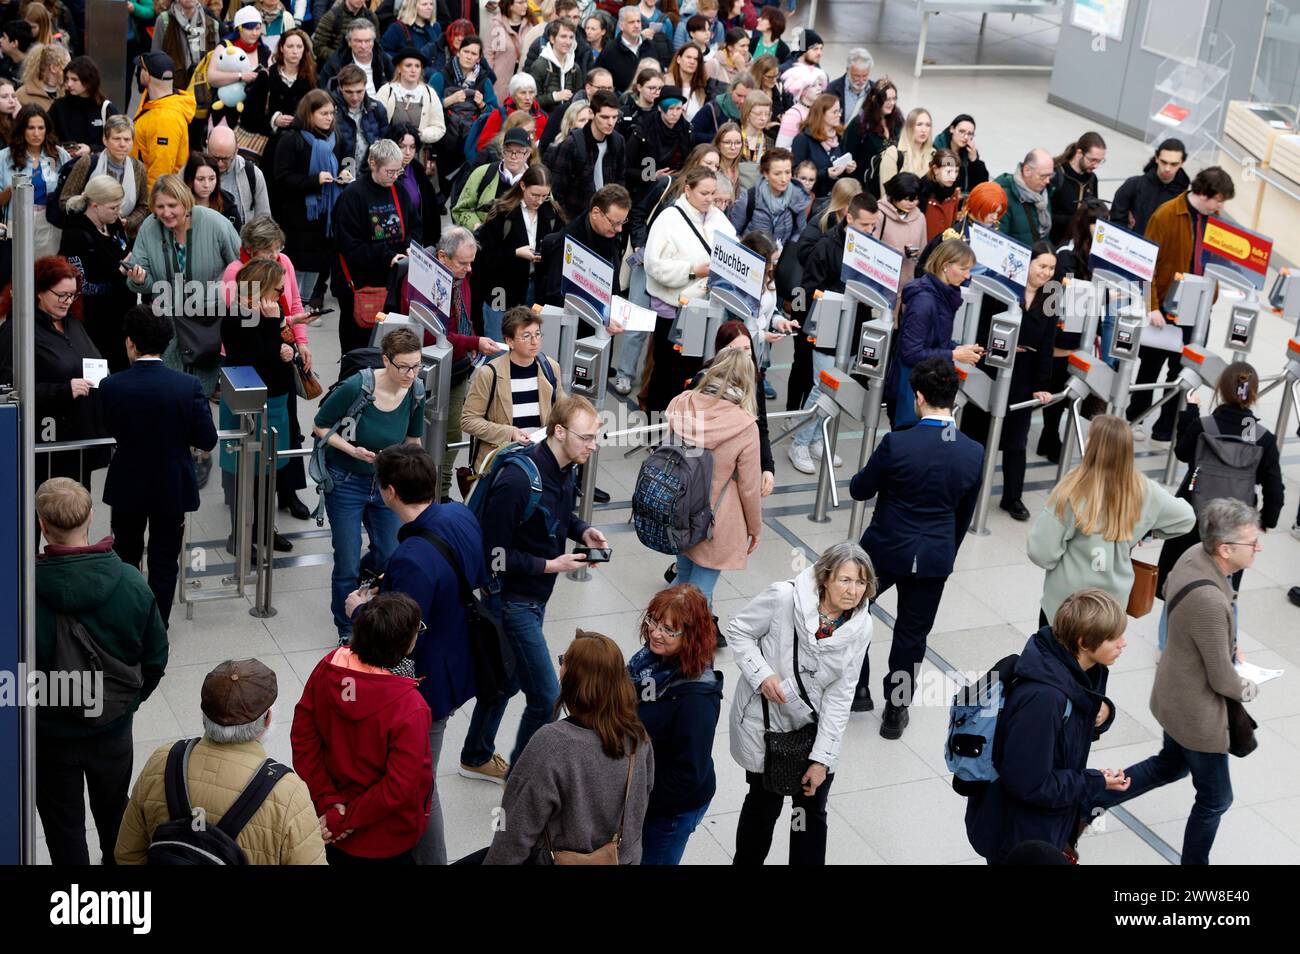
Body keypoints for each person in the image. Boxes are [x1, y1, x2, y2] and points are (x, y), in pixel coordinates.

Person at [1090, 498, 1263, 865]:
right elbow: (1221, 678)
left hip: (1173, 691)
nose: (1259, 546)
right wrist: (1250, 685)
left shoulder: (1192, 556)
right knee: (1216, 799)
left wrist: (1227, 643)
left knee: (1169, 765)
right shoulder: (1210, 600)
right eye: (1252, 541)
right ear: (1225, 548)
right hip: (1196, 716)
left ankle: (1090, 798)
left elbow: (1171, 593)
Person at [342, 444, 484, 865]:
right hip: (462, 656)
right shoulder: (459, 514)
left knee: (421, 781)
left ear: (388, 492)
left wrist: (361, 610)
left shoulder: (411, 557)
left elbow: (398, 636)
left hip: (427, 684)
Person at [458, 395, 609, 783]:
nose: (593, 446)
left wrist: (580, 530)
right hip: (511, 601)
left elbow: (557, 515)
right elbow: (492, 554)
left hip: (534, 598)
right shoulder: (517, 480)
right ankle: (522, 779)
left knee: (507, 682)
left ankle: (476, 754)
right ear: (559, 432)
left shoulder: (563, 468)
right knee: (545, 698)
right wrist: (550, 565)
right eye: (587, 437)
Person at [33, 477, 169, 866]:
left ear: (42, 524)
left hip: (49, 733)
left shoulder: (21, 589)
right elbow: (156, 658)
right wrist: (127, 703)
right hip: (111, 729)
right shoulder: (130, 582)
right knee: (116, 817)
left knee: (63, 826)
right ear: (92, 517)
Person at [849, 358, 984, 723]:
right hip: (934, 554)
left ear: (919, 397)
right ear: (953, 399)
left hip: (884, 547)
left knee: (854, 613)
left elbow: (860, 489)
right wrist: (944, 554)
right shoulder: (973, 451)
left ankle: (858, 691)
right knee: (912, 633)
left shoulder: (898, 442)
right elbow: (964, 516)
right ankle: (896, 708)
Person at [728, 541, 873, 865]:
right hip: (767, 723)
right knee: (763, 805)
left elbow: (842, 693)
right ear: (825, 578)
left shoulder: (861, 626)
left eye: (861, 582)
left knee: (810, 814)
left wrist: (822, 758)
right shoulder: (782, 598)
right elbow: (739, 631)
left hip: (814, 729)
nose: (853, 591)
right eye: (845, 580)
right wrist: (762, 675)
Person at [964, 589, 1128, 865]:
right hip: (1020, 835)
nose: (1123, 643)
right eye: (1114, 637)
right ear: (1084, 642)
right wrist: (1094, 781)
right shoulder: (1044, 699)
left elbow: (1067, 736)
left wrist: (1104, 712)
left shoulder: (1077, 672)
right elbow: (1029, 783)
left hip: (1044, 823)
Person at [117, 658, 326, 865]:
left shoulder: (162, 762)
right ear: (267, 720)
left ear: (204, 715)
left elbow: (127, 853)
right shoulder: (288, 794)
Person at [481, 630, 654, 864]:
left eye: (564, 662)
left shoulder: (551, 743)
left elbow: (514, 827)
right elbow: (642, 796)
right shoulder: (638, 737)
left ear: (573, 679)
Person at [292, 592, 433, 865]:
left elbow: (303, 738)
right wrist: (346, 818)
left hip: (328, 823)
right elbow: (398, 786)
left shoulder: (327, 667)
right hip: (387, 836)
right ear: (404, 646)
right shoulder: (410, 707)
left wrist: (328, 803)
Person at [99, 304, 216, 625]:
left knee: (126, 555)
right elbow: (207, 439)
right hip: (171, 486)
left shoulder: (112, 387)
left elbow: (110, 428)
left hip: (128, 484)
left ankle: (127, 619)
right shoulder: (187, 387)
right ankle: (157, 624)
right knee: (165, 560)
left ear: (131, 343)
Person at [1153, 362, 1285, 643]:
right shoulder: (1263, 438)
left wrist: (1189, 413)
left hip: (1193, 517)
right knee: (1226, 588)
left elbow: (1182, 453)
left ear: (1221, 390)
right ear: (1253, 393)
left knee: (1178, 581)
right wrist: (1265, 521)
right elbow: (1275, 487)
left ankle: (1168, 645)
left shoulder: (1204, 426)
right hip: (1235, 528)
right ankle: (1220, 644)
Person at [1028, 414, 1196, 626]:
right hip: (1111, 609)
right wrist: (1147, 530)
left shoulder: (1073, 487)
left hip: (1064, 605)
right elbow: (1186, 519)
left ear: (1096, 447)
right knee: (1098, 658)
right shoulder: (1144, 489)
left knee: (1051, 658)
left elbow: (1041, 553)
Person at [1126, 167, 1236, 442]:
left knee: (1185, 370)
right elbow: (1147, 263)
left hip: (1198, 308)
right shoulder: (1166, 214)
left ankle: (1167, 427)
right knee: (1150, 368)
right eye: (1219, 199)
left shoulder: (1217, 222)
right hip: (1165, 304)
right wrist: (1151, 305)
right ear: (1204, 193)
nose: (1221, 206)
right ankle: (1135, 417)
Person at [958, 241, 1058, 521]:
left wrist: (1042, 383)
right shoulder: (1000, 288)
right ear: (1027, 264)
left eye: (1051, 268)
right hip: (991, 365)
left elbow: (1048, 341)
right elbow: (979, 324)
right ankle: (965, 490)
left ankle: (1012, 497)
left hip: (1024, 371)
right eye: (1042, 266)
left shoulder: (1052, 293)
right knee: (976, 432)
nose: (1046, 273)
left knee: (1016, 439)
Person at [123, 173, 241, 408]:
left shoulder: (215, 223)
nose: (166, 212)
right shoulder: (149, 227)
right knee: (168, 393)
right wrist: (139, 279)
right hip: (167, 325)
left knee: (199, 393)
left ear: (185, 202)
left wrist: (222, 296)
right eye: (160, 206)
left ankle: (199, 440)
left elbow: (241, 267)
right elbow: (144, 280)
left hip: (207, 324)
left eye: (172, 205)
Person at [785, 191, 881, 469]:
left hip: (855, 325)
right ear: (849, 217)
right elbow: (810, 287)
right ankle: (799, 443)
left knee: (838, 387)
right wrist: (848, 293)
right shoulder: (826, 247)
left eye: (873, 225)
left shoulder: (870, 247)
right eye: (864, 225)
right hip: (828, 322)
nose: (870, 230)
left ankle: (817, 437)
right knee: (822, 386)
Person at [664, 346, 763, 606]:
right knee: (700, 594)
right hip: (714, 520)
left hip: (678, 508)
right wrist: (754, 528)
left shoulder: (682, 402)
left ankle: (659, 626)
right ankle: (686, 644)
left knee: (683, 575)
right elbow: (750, 488)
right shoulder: (744, 425)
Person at [0, 255, 106, 486]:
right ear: (39, 291)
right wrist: (61, 390)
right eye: (61, 295)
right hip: (44, 445)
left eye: (73, 295)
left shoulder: (73, 324)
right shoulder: (17, 330)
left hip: (79, 442)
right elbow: (9, 388)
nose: (68, 301)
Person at [642, 165, 735, 410]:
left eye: (713, 193)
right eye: (704, 193)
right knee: (666, 373)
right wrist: (695, 270)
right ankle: (655, 431)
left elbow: (733, 251)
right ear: (687, 189)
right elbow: (654, 266)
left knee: (692, 373)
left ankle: (680, 429)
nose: (710, 199)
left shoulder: (719, 218)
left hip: (704, 310)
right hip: (672, 310)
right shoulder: (668, 219)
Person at [883, 237, 981, 429]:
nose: (967, 276)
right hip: (915, 391)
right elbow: (910, 352)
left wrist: (957, 348)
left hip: (926, 387)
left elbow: (932, 339)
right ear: (945, 266)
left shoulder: (941, 294)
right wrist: (954, 354)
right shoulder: (924, 302)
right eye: (963, 269)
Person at [331, 137, 417, 353]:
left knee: (389, 350)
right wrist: (386, 256)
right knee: (358, 350)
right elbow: (348, 245)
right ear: (373, 164)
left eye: (398, 171)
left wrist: (409, 248)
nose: (395, 176)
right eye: (389, 171)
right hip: (360, 286)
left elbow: (414, 227)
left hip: (392, 284)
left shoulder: (399, 191)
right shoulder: (353, 196)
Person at [1038, 197, 1106, 462]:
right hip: (1063, 326)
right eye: (1096, 224)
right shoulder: (1066, 254)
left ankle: (1052, 433)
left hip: (1083, 328)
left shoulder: (1096, 252)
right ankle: (1049, 433)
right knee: (1057, 384)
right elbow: (1061, 295)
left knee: (1069, 385)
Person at [461, 304, 565, 471]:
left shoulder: (550, 367)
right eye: (526, 336)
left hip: (540, 458)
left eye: (537, 334)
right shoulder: (489, 374)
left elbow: (562, 409)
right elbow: (469, 421)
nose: (535, 341)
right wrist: (510, 433)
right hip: (502, 462)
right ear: (509, 341)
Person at [471, 169, 563, 341]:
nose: (539, 200)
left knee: (529, 341)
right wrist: (515, 253)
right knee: (498, 342)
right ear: (522, 186)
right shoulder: (502, 212)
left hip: (536, 288)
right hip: (501, 288)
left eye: (545, 196)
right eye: (535, 195)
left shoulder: (551, 214)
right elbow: (484, 255)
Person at [274, 89, 345, 308]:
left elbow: (345, 159)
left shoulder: (336, 138)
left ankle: (314, 299)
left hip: (326, 216)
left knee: (321, 261)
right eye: (323, 113)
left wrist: (345, 173)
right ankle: (295, 305)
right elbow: (282, 177)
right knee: (298, 265)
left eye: (331, 113)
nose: (329, 118)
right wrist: (314, 180)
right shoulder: (291, 139)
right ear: (309, 113)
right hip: (299, 216)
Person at [56, 174, 132, 373]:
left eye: (119, 206)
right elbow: (82, 285)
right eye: (113, 207)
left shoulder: (114, 225)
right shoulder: (75, 235)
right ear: (95, 205)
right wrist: (119, 273)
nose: (119, 212)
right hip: (93, 321)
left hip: (120, 316)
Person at [238, 27, 317, 175]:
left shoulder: (311, 79)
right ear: (282, 48)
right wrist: (274, 120)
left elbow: (317, 112)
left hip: (301, 149)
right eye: (290, 46)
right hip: (270, 150)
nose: (295, 51)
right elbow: (248, 117)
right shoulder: (266, 77)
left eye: (299, 47)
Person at [0, 103, 70, 256]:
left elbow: (71, 189)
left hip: (49, 222)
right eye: (31, 128)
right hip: (16, 220)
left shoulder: (59, 155)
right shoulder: (4, 157)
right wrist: (13, 189)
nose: (36, 133)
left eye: (41, 128)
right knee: (18, 273)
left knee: (45, 272)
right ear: (21, 130)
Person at [548, 86, 624, 219]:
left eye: (614, 117)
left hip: (606, 218)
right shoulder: (572, 144)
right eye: (605, 117)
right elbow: (557, 190)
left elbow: (620, 181)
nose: (611, 122)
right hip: (576, 218)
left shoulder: (618, 141)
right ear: (591, 113)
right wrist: (568, 223)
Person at [429, 32, 497, 178]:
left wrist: (483, 105)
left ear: (479, 59)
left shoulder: (485, 82)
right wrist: (448, 101)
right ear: (458, 52)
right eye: (465, 51)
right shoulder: (441, 76)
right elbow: (427, 105)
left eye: (473, 53)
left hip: (472, 144)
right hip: (444, 144)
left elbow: (495, 112)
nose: (468, 56)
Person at [132, 51, 196, 189]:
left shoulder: (164, 119)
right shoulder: (155, 104)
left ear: (147, 76)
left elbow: (160, 171)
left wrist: (149, 206)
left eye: (141, 68)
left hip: (154, 198)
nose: (138, 72)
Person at [451, 122, 531, 230]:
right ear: (502, 150)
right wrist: (477, 226)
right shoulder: (482, 173)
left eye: (520, 152)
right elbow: (460, 209)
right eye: (509, 151)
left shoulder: (536, 179)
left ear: (528, 153)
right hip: (484, 243)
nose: (513, 156)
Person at [729, 144, 805, 245]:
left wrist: (785, 250)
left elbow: (800, 232)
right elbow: (732, 233)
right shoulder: (749, 198)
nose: (784, 179)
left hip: (781, 258)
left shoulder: (796, 197)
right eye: (777, 174)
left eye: (787, 172)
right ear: (765, 174)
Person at [1109, 137, 1188, 235]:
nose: (1167, 168)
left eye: (1174, 164)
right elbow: (1116, 219)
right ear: (1156, 158)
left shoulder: (1183, 199)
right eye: (1164, 162)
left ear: (1182, 163)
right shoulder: (1133, 185)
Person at [331, 63, 391, 184]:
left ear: (365, 87)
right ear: (340, 88)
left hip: (370, 174)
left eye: (359, 91)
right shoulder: (330, 109)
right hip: (339, 175)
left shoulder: (377, 109)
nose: (355, 97)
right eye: (349, 92)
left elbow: (385, 143)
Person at [48, 55, 116, 157]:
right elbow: (47, 136)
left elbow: (119, 143)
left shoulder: (105, 108)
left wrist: (91, 149)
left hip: (97, 169)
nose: (69, 84)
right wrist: (62, 149)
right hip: (65, 167)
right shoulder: (58, 107)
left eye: (74, 80)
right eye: (67, 79)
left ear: (89, 81)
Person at [376, 46, 445, 146]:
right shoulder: (387, 91)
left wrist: (422, 134)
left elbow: (439, 127)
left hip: (418, 152)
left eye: (417, 66)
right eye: (408, 66)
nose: (413, 70)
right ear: (399, 69)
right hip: (390, 152)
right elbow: (376, 123)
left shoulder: (429, 93)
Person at [843, 76, 900, 196]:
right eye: (887, 99)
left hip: (889, 184)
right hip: (866, 188)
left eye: (894, 99)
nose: (892, 103)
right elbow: (848, 155)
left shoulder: (897, 119)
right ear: (875, 99)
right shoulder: (860, 123)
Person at [206, 124, 271, 227]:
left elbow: (264, 221)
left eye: (226, 159)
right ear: (207, 146)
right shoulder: (190, 171)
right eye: (215, 157)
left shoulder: (253, 174)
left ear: (236, 150)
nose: (220, 164)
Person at [789, 92, 851, 199]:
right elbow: (795, 172)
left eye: (839, 111)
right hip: (808, 200)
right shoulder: (803, 139)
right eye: (835, 112)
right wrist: (826, 174)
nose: (839, 115)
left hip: (833, 199)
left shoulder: (839, 137)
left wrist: (847, 168)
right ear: (821, 114)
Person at [1048, 131, 1105, 245]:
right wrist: (1074, 221)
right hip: (1053, 243)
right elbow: (1044, 215)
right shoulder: (1055, 174)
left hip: (1075, 247)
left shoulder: (1092, 180)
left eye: (1100, 161)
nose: (1096, 166)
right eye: (1092, 160)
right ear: (1079, 153)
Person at [994, 147, 1054, 247]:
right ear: (1027, 171)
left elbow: (1045, 237)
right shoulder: (1003, 196)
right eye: (1043, 176)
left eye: (1050, 175)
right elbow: (999, 240)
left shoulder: (1043, 193)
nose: (1048, 181)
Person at [877, 171, 926, 290]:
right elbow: (872, 250)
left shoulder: (920, 217)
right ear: (895, 195)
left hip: (909, 285)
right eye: (907, 199)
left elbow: (923, 250)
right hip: (883, 284)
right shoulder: (879, 214)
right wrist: (901, 253)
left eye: (915, 199)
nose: (912, 203)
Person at [530, 15, 583, 115]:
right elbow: (531, 101)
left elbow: (579, 98)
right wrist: (554, 96)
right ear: (552, 39)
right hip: (546, 120)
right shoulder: (539, 66)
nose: (568, 42)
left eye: (571, 37)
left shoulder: (575, 68)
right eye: (563, 36)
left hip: (568, 121)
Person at [183, 149, 242, 232]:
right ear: (190, 179)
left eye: (211, 178)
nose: (207, 185)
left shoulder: (229, 207)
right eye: (200, 179)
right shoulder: (178, 205)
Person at [932, 112, 989, 193]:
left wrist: (975, 161)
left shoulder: (970, 152)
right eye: (962, 131)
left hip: (965, 201)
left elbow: (981, 186)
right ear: (952, 129)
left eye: (970, 134)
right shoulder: (937, 149)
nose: (966, 137)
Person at [485, 0, 529, 101]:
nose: (525, 5)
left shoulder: (530, 25)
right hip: (500, 81)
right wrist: (491, 77)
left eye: (526, 2)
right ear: (510, 6)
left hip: (524, 80)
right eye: (520, 2)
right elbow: (488, 53)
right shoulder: (496, 25)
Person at [689, 72, 750, 144]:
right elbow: (692, 134)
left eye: (746, 97)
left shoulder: (752, 112)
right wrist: (719, 138)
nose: (742, 101)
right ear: (731, 90)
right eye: (739, 95)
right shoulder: (713, 108)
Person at [312, 0, 379, 65]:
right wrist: (341, 57)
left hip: (363, 64)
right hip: (335, 67)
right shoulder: (332, 16)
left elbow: (376, 45)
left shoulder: (371, 17)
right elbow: (318, 47)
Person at [878, 106, 933, 185]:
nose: (924, 130)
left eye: (928, 125)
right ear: (909, 127)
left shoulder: (933, 154)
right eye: (919, 124)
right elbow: (887, 193)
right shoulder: (893, 153)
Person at [16, 39, 68, 112]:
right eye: (67, 67)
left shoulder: (68, 92)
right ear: (54, 68)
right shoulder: (22, 95)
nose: (69, 72)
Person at [920, 147, 960, 241]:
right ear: (935, 169)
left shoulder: (954, 193)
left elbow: (952, 224)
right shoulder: (921, 191)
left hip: (942, 249)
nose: (953, 177)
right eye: (948, 171)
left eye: (956, 171)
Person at [666, 38, 707, 120]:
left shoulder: (703, 89)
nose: (692, 62)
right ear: (679, 59)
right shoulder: (666, 83)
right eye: (688, 57)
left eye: (696, 59)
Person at [0, 20, 34, 85]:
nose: (0, 40)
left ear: (14, 43)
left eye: (4, 37)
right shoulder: (5, 61)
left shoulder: (30, 71)